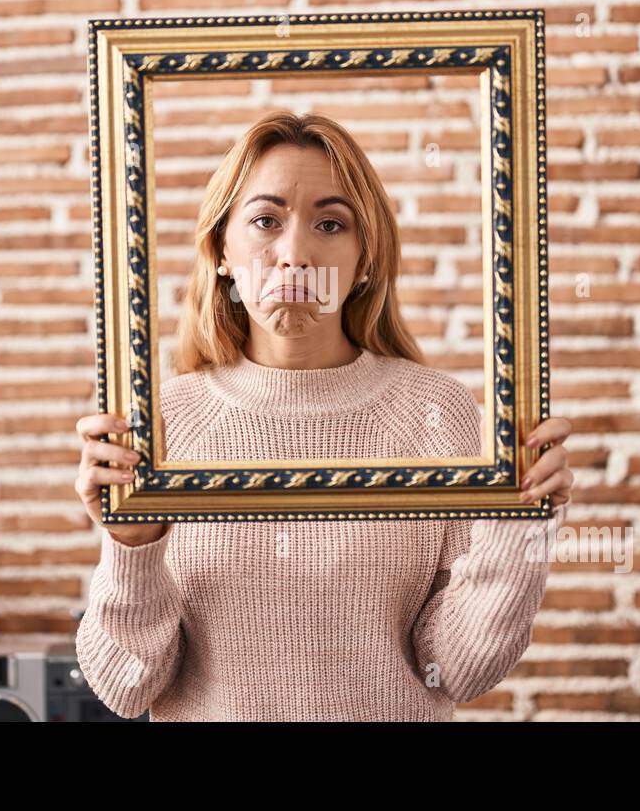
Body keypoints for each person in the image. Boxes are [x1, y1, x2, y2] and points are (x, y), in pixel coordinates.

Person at [73, 110, 575, 721]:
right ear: (222, 251)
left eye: (330, 224)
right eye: (265, 220)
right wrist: (130, 545)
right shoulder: (161, 426)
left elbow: (462, 668)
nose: (295, 255)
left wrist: (516, 524)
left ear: (365, 259)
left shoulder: (439, 415)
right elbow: (125, 687)